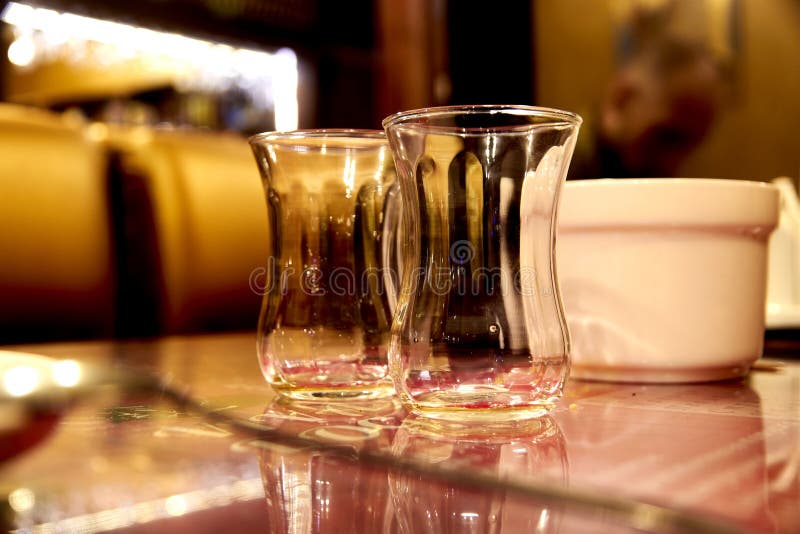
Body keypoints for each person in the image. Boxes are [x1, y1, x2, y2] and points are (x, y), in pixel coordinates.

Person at [568, 37, 725, 180]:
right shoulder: (557, 174)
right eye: (667, 137)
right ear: (621, 99)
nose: (672, 163)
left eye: (690, 147)